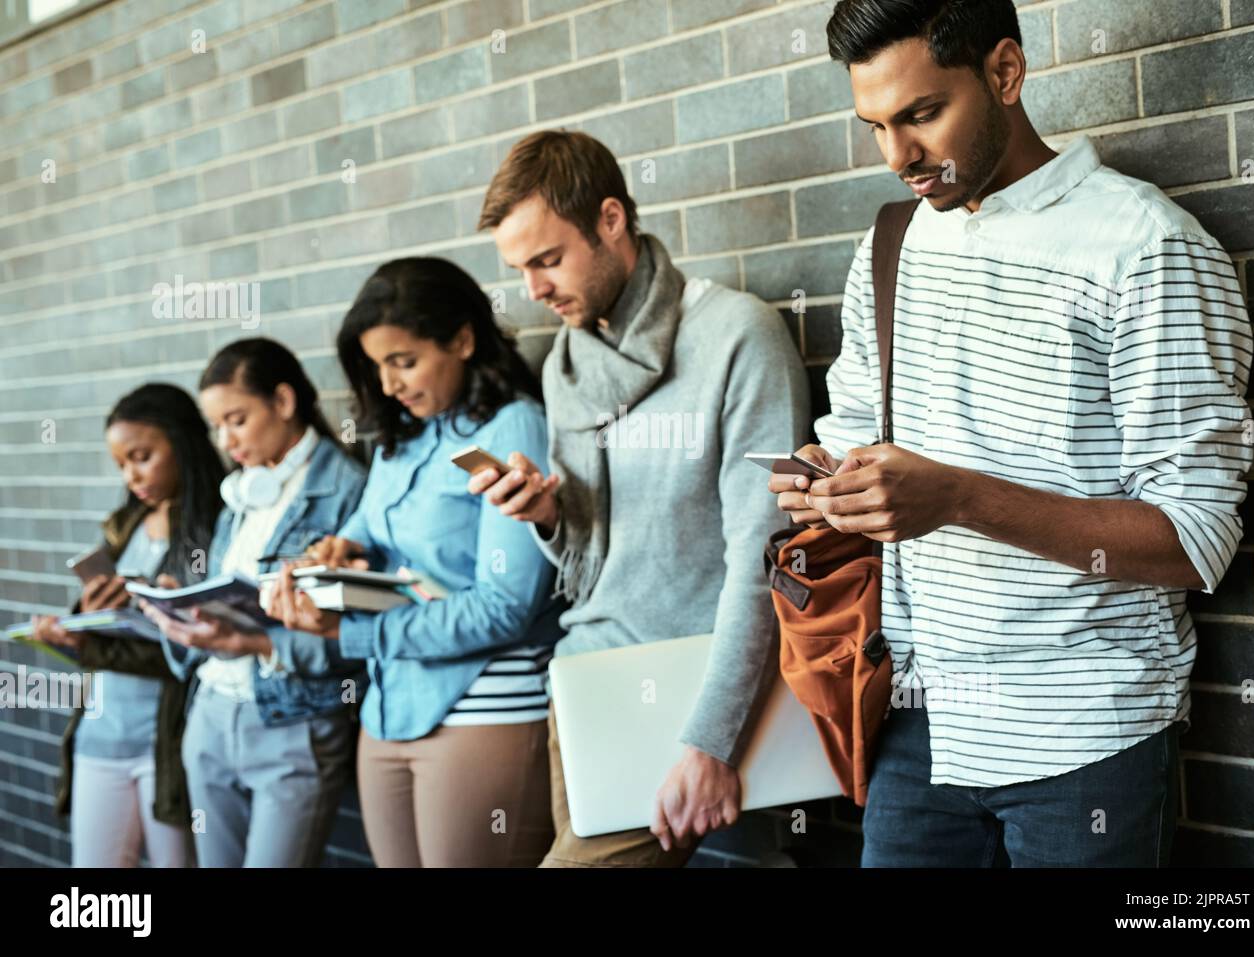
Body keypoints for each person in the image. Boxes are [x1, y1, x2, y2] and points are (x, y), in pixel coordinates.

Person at [768, 0, 1254, 867]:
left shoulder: (1146, 247)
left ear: (1004, 73)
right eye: (874, 125)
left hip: (1084, 740)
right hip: (918, 729)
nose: (897, 156)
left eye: (921, 115)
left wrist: (955, 496)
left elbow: (1194, 540)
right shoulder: (891, 245)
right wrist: (828, 481)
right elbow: (853, 445)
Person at [474, 130, 811, 866]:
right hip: (587, 683)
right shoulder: (567, 362)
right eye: (518, 268)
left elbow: (768, 556)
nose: (532, 289)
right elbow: (591, 564)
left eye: (547, 259)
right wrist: (548, 516)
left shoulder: (735, 335)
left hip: (688, 695)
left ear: (611, 220)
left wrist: (710, 740)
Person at [265, 258, 562, 867]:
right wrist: (340, 547)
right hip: (388, 708)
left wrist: (350, 632)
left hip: (484, 707)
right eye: (378, 367)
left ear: (462, 339)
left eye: (404, 362)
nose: (390, 384)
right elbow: (371, 524)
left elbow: (504, 608)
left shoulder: (511, 429)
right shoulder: (402, 437)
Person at [139, 338, 367, 867]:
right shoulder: (239, 493)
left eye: (236, 420)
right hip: (212, 714)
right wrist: (184, 609)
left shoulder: (349, 491)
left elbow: (361, 635)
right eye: (217, 426)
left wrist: (256, 639)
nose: (226, 440)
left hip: (293, 722)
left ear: (283, 403)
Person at [30, 383, 225, 867]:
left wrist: (91, 643)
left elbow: (188, 652)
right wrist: (76, 623)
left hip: (167, 748)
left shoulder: (216, 529)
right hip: (99, 738)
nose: (132, 475)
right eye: (121, 464)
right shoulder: (125, 523)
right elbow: (102, 629)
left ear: (181, 443)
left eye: (142, 456)